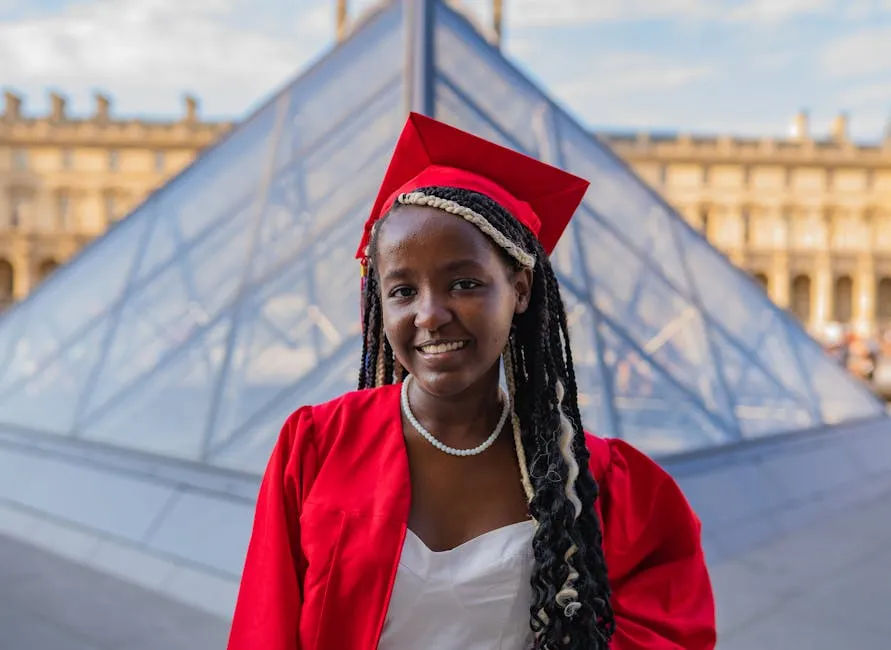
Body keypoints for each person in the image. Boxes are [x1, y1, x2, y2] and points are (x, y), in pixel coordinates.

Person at [227, 113, 716, 650]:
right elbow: (264, 630)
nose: (430, 315)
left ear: (520, 289)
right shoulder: (317, 446)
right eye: (402, 291)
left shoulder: (599, 484)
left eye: (464, 283)